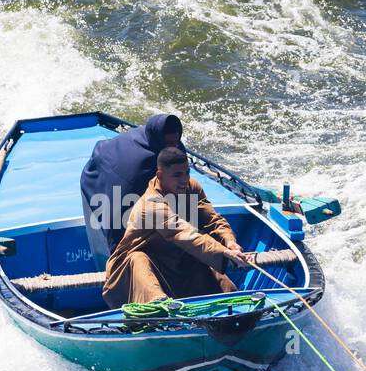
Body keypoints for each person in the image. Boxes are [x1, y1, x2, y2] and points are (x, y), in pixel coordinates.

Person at [102, 146, 255, 308]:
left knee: (208, 265)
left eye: (187, 173)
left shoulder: (191, 188)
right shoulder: (151, 204)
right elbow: (184, 233)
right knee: (138, 258)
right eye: (177, 175)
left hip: (177, 262)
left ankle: (236, 305)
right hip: (136, 272)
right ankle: (158, 310)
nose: (184, 180)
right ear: (160, 175)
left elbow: (213, 220)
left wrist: (230, 243)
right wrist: (223, 252)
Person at [80, 113, 183, 261]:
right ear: (159, 142)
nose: (173, 148)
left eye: (176, 142)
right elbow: (115, 217)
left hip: (125, 174)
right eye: (169, 144)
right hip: (96, 178)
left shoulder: (175, 149)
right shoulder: (135, 173)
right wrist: (118, 255)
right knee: (114, 255)